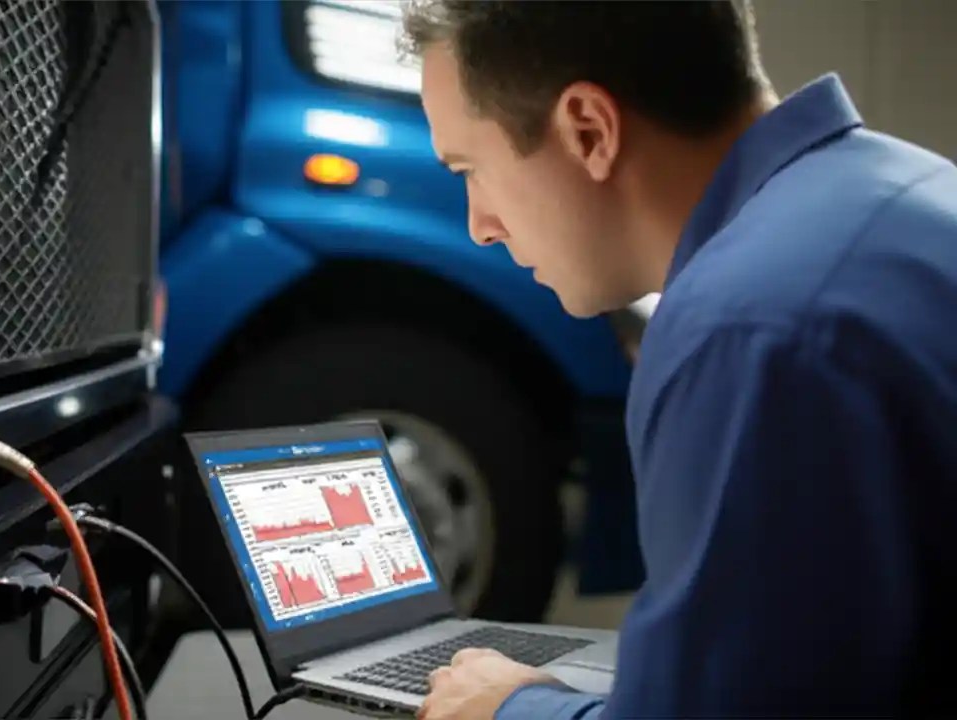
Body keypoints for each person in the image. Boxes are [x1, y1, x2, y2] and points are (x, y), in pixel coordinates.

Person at [400, 1, 957, 718]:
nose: (480, 226)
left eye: (470, 169)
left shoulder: (746, 328)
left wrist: (507, 710)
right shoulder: (909, 186)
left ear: (589, 131)